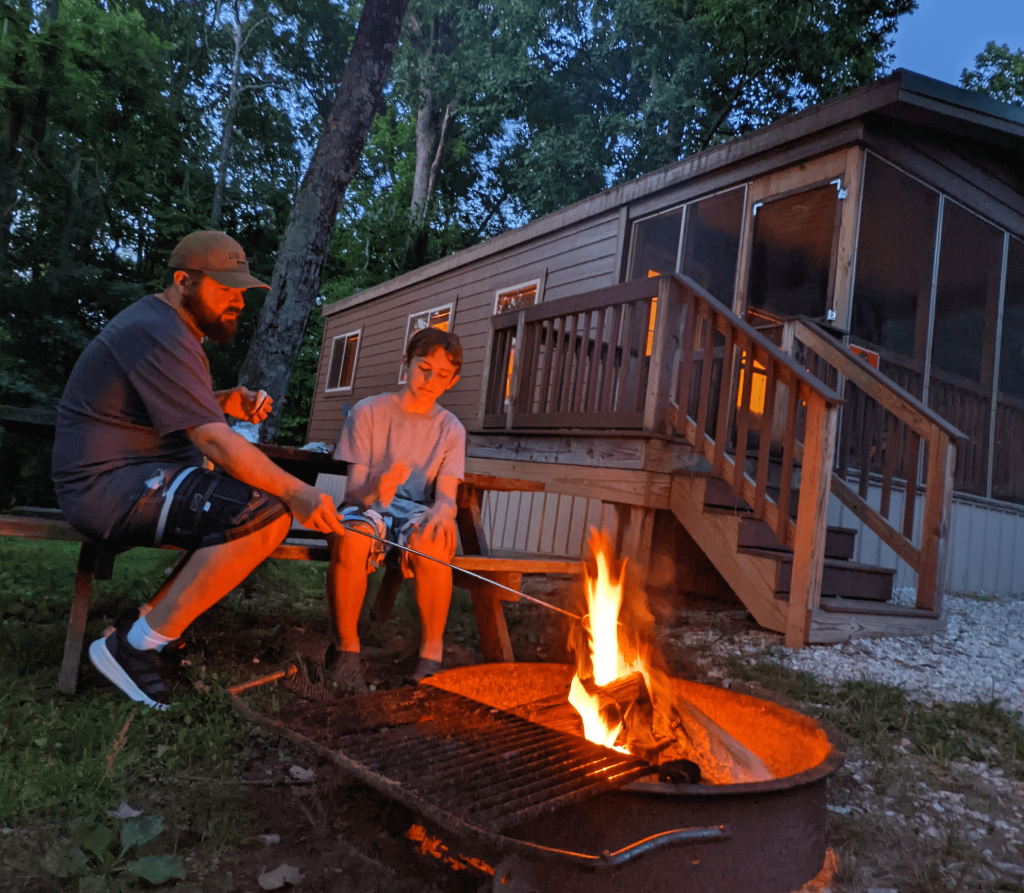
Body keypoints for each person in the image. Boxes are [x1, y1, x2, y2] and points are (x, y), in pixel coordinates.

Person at [51, 230, 346, 710]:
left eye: (241, 293)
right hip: (106, 487)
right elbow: (211, 439)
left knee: (254, 511)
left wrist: (224, 401)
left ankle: (145, 630)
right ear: (183, 280)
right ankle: (133, 645)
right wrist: (299, 492)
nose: (237, 304)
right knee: (262, 514)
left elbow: (163, 408)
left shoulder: (166, 327)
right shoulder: (159, 331)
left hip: (134, 476)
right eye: (225, 291)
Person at [327, 327, 466, 692]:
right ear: (406, 364)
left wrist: (444, 511)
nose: (430, 379)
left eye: (442, 375)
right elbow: (353, 494)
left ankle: (431, 656)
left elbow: (446, 496)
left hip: (414, 510)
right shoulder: (368, 412)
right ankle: (346, 652)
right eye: (423, 367)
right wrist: (378, 486)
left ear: (452, 381)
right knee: (353, 537)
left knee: (435, 539)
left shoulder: (451, 428)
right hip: (368, 505)